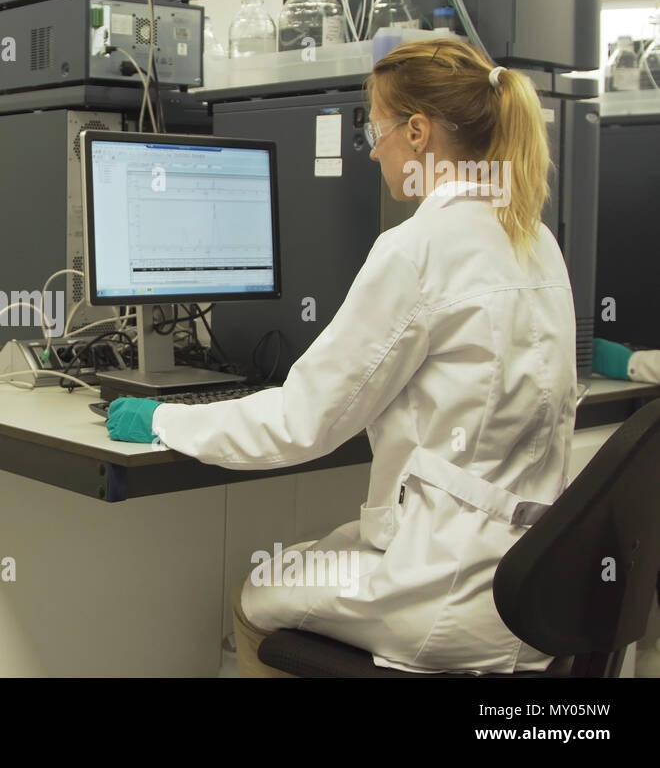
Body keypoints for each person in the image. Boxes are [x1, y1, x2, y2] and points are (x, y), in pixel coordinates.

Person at [106, 37, 578, 675]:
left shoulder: (415, 248)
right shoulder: (535, 238)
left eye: (376, 129)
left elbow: (302, 424)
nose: (373, 147)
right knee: (314, 554)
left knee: (258, 594)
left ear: (417, 132)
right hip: (537, 587)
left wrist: (162, 419)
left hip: (449, 591)